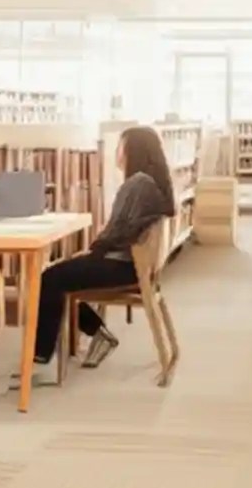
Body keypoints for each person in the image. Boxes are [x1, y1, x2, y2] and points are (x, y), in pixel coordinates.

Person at [18, 126, 176, 387]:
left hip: (121, 265)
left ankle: (43, 359)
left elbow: (116, 232)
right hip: (134, 265)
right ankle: (94, 333)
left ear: (133, 151)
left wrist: (92, 251)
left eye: (121, 147)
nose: (117, 153)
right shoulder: (152, 184)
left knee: (50, 278)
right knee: (60, 275)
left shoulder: (136, 185)